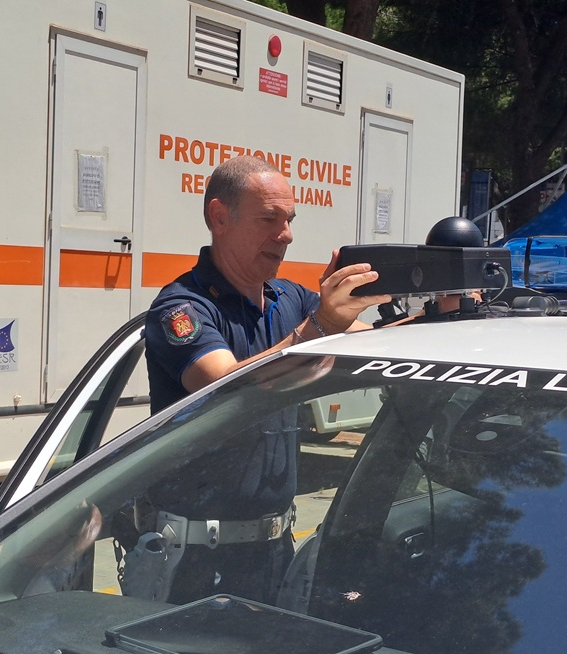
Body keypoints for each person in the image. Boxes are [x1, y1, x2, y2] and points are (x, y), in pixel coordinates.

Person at [131, 156, 392, 605]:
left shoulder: (289, 299)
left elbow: (377, 342)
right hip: (194, 564)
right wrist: (322, 325)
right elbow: (228, 387)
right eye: (269, 219)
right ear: (219, 217)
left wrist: (445, 312)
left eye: (289, 220)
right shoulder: (183, 307)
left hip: (273, 554)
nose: (286, 234)